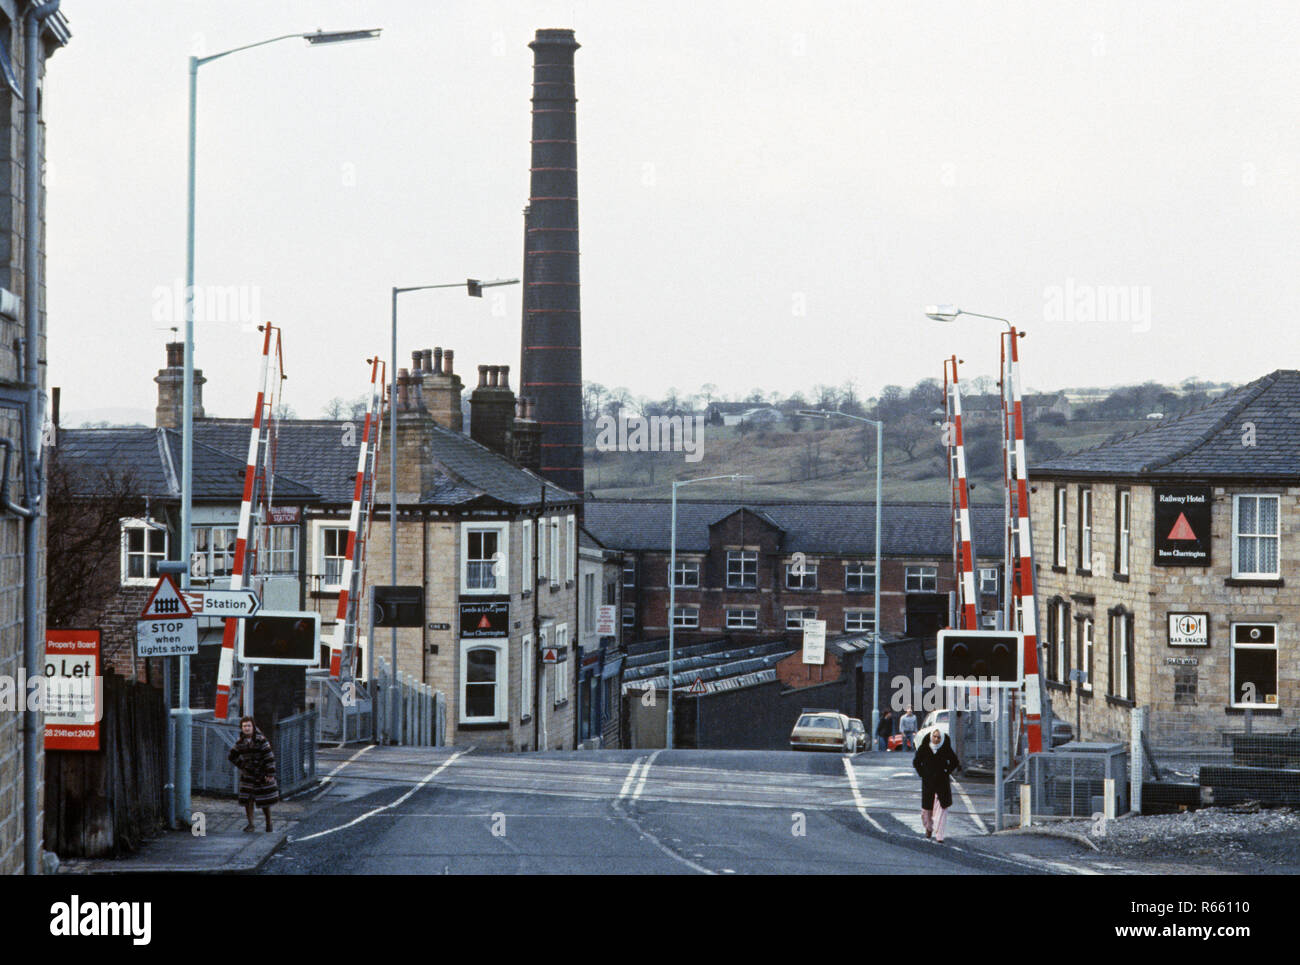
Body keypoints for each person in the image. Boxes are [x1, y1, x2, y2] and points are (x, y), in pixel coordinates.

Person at [228, 716, 279, 832]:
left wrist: (270, 773)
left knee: (265, 800)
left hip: (262, 774)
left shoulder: (261, 740)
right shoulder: (240, 742)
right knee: (248, 799)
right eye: (244, 726)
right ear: (241, 728)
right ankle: (251, 824)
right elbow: (232, 756)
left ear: (253, 727)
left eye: (249, 726)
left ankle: (268, 823)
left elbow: (269, 756)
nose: (247, 728)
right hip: (248, 775)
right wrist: (243, 766)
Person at [912, 727, 961, 843]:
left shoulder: (945, 748)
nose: (936, 739)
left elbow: (954, 761)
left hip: (942, 783)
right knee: (926, 810)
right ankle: (928, 828)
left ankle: (940, 835)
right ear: (930, 736)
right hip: (928, 782)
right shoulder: (924, 748)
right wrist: (923, 773)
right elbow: (916, 762)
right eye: (934, 736)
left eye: (939, 737)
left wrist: (946, 771)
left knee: (942, 808)